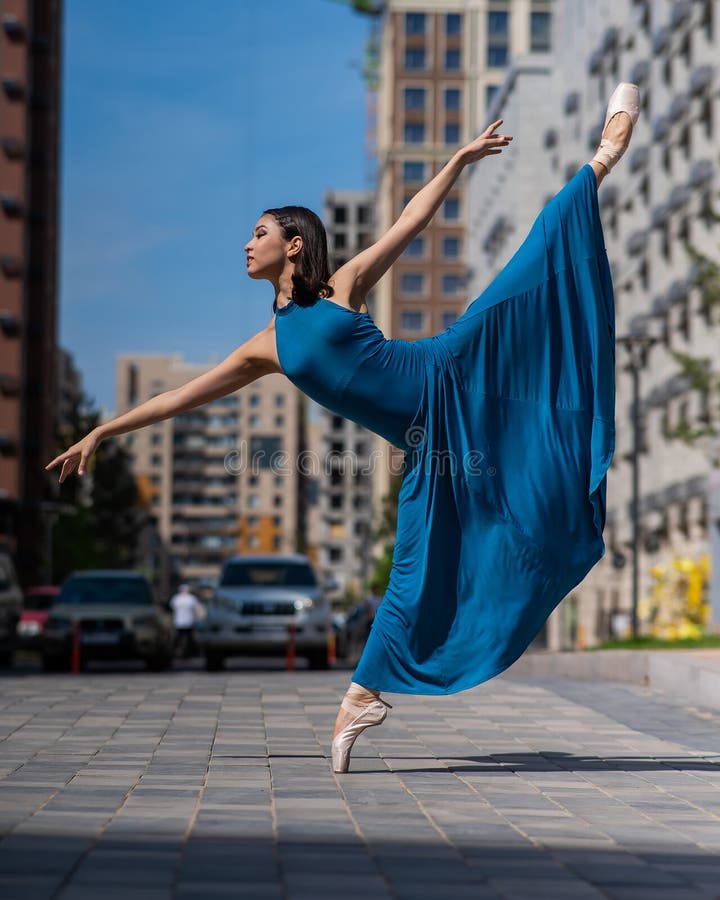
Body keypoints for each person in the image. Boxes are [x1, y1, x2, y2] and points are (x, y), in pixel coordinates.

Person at [45, 82, 639, 775]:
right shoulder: (266, 347)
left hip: (447, 372)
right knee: (413, 571)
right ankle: (363, 696)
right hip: (427, 444)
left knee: (526, 278)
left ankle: (599, 159)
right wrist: (103, 432)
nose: (247, 244)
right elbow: (179, 397)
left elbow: (409, 222)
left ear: (293, 246)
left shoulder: (342, 288)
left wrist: (458, 159)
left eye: (259, 233)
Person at [169, 584, 203, 659]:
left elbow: (172, 609)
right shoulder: (180, 598)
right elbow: (198, 609)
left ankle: (185, 652)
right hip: (182, 622)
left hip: (184, 622)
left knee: (186, 638)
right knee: (182, 638)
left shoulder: (178, 598)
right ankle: (177, 652)